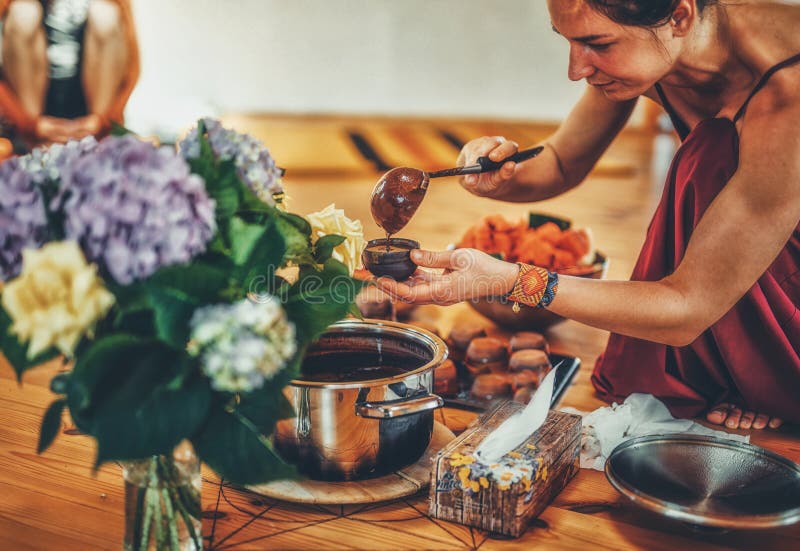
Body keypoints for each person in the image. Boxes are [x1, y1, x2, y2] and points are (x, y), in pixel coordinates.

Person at [377, 0, 800, 430]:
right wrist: (500, 176)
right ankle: (737, 374)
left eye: (596, 44)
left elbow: (687, 306)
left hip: (714, 298)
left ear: (680, 16)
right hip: (724, 271)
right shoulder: (659, 45)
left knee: (711, 156)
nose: (576, 70)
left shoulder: (788, 96)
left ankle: (772, 379)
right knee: (712, 155)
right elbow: (562, 161)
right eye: (569, 41)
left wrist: (513, 280)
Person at [0, 0, 138, 146]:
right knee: (23, 13)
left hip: (93, 110)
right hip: (31, 114)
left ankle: (100, 140)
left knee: (105, 14)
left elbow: (131, 65)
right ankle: (33, 142)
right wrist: (29, 125)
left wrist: (103, 122)